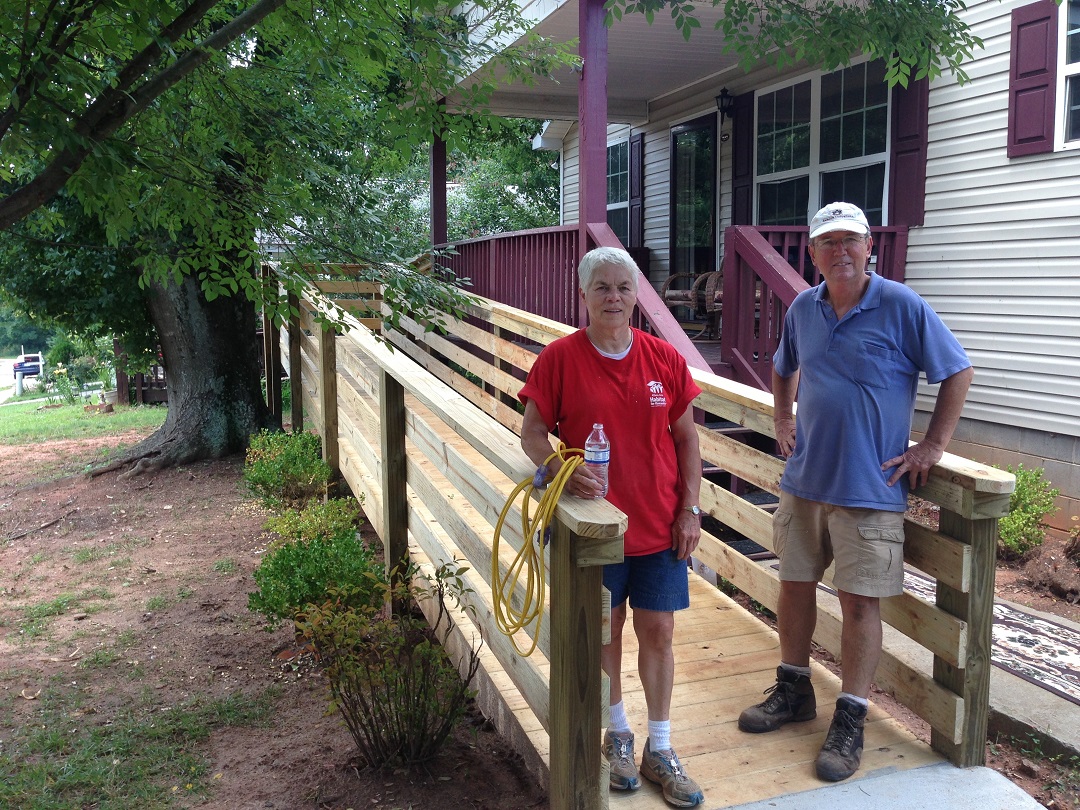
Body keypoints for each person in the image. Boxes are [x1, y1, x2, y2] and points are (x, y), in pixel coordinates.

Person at [737, 202, 974, 782]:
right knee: (793, 587)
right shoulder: (803, 307)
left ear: (870, 248)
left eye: (851, 241)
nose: (840, 251)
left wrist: (933, 447)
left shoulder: (901, 305)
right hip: (804, 482)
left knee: (859, 603)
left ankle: (852, 716)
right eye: (828, 243)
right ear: (812, 254)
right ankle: (793, 690)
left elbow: (957, 370)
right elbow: (784, 366)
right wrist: (782, 419)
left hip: (871, 487)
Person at [518, 246, 706, 808]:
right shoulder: (559, 359)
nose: (614, 298)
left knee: (660, 632)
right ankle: (617, 733)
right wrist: (554, 467)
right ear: (584, 295)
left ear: (636, 295)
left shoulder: (663, 359)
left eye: (624, 287)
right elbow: (531, 432)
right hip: (594, 532)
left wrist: (690, 509)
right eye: (602, 287)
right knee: (606, 632)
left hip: (659, 525)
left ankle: (661, 746)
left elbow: (688, 439)